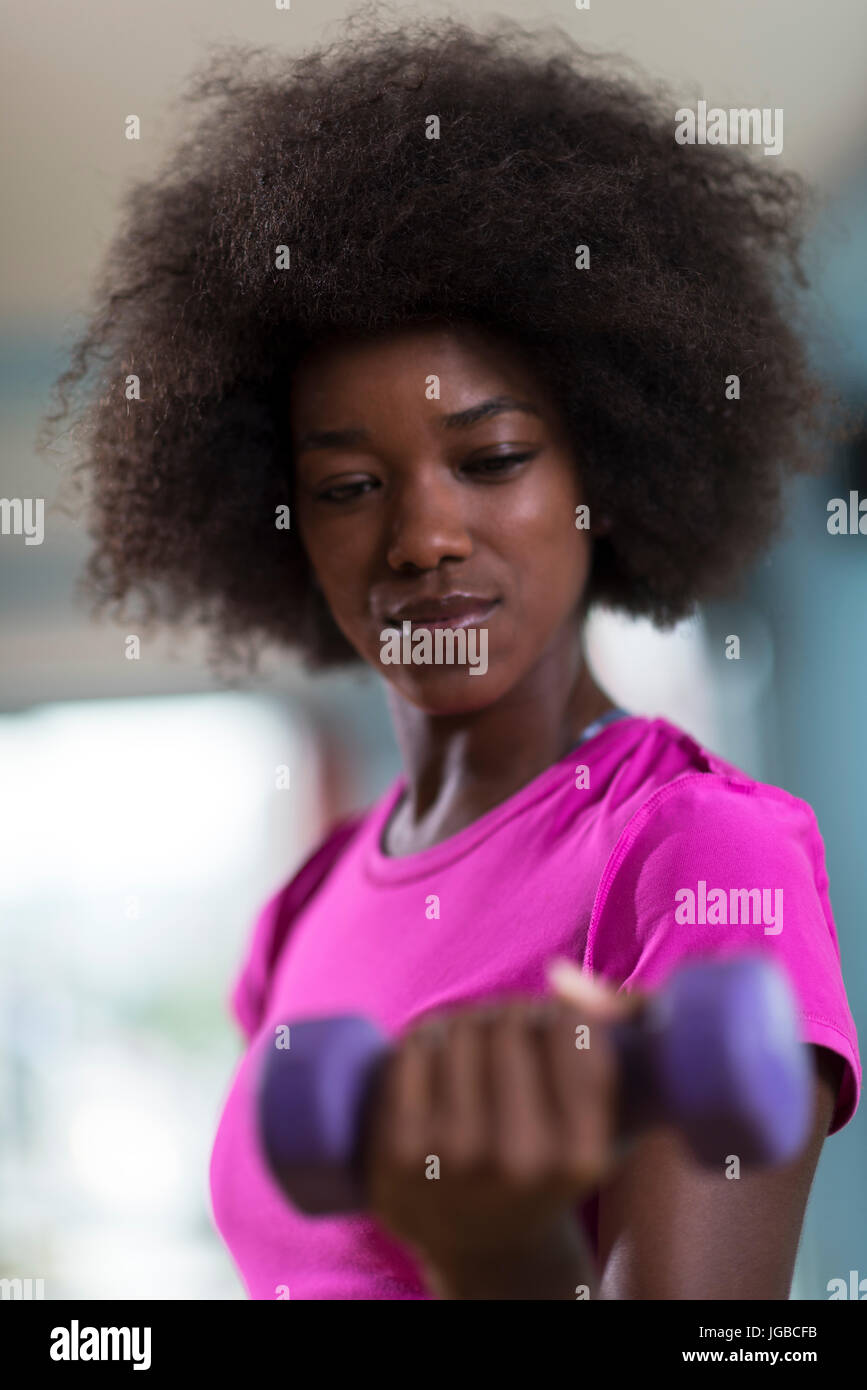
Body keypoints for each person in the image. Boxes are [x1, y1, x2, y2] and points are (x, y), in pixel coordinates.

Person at [42, 11, 860, 1300]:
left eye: (492, 461)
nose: (423, 537)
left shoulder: (700, 855)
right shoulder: (305, 905)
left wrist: (503, 1257)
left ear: (607, 468)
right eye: (351, 484)